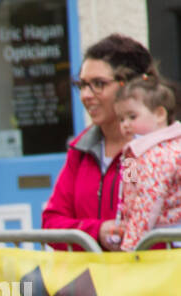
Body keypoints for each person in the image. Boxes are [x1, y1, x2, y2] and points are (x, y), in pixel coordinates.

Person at [42, 34, 154, 250]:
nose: (86, 95)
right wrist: (96, 233)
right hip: (92, 282)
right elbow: (51, 224)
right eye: (82, 85)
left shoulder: (158, 149)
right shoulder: (81, 149)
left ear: (132, 86)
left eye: (98, 84)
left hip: (152, 281)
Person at [114, 76, 181, 250]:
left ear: (159, 114)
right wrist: (123, 226)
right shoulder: (135, 151)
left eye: (132, 116)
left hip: (168, 237)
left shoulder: (158, 154)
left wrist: (130, 246)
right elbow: (129, 194)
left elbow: (147, 201)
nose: (125, 124)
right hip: (155, 237)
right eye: (121, 119)